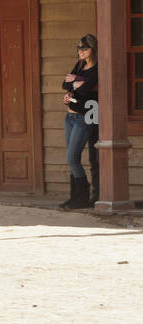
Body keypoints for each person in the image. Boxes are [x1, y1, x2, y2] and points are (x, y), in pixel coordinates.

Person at [59, 33, 99, 210]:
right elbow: (65, 84)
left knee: (72, 157)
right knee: (71, 159)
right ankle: (74, 197)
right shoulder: (80, 66)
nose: (80, 51)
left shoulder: (96, 69)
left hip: (83, 117)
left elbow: (86, 91)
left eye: (84, 48)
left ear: (92, 49)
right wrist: (74, 85)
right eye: (79, 47)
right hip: (70, 116)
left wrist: (76, 83)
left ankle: (82, 197)